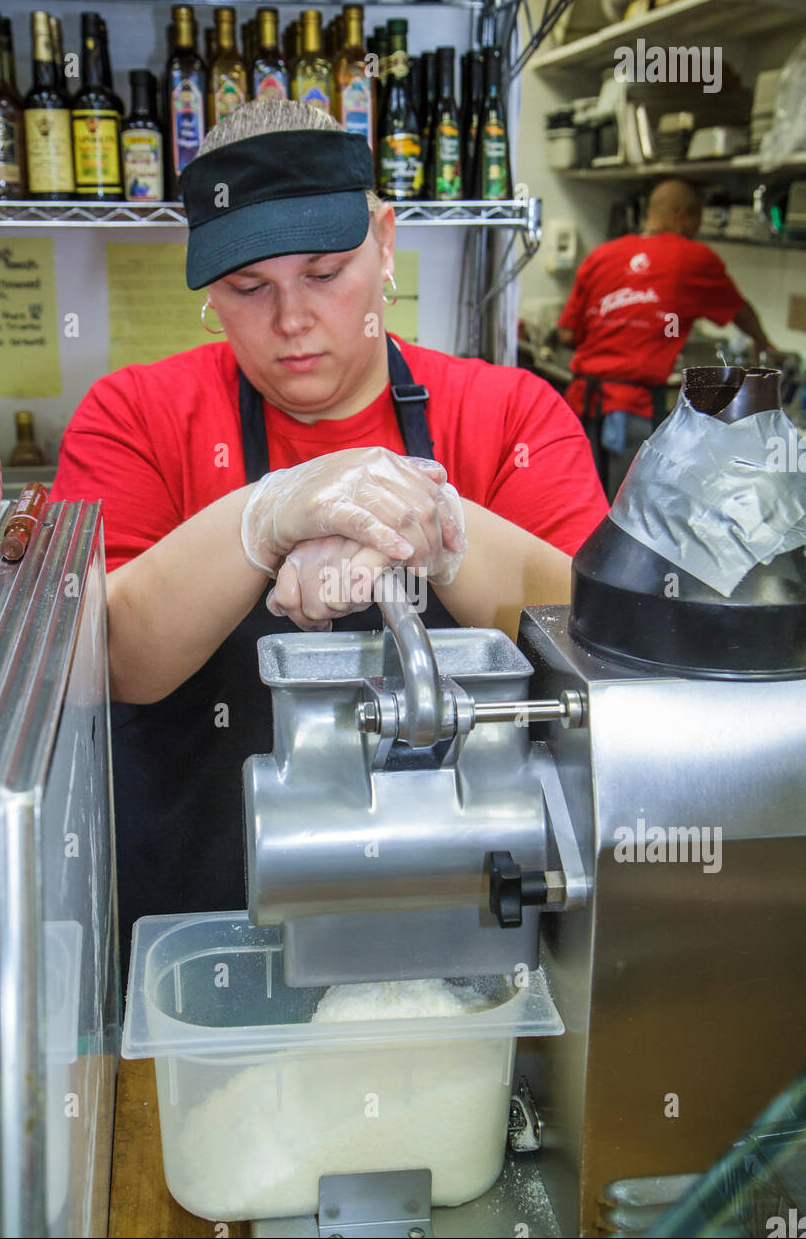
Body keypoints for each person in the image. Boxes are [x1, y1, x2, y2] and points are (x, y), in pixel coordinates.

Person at [49, 100, 609, 981]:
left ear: (385, 242)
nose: (292, 321)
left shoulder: (509, 414)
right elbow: (117, 658)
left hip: (467, 933)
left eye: (324, 271)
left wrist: (436, 532)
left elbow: (592, 637)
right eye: (248, 287)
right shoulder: (135, 417)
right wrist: (268, 516)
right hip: (210, 939)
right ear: (206, 287)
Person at [556, 177, 775, 500]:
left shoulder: (602, 256)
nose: (697, 227)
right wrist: (764, 344)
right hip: (633, 410)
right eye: (697, 217)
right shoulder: (693, 259)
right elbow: (739, 310)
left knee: (581, 506)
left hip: (580, 407)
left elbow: (566, 334)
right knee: (629, 518)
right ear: (680, 213)